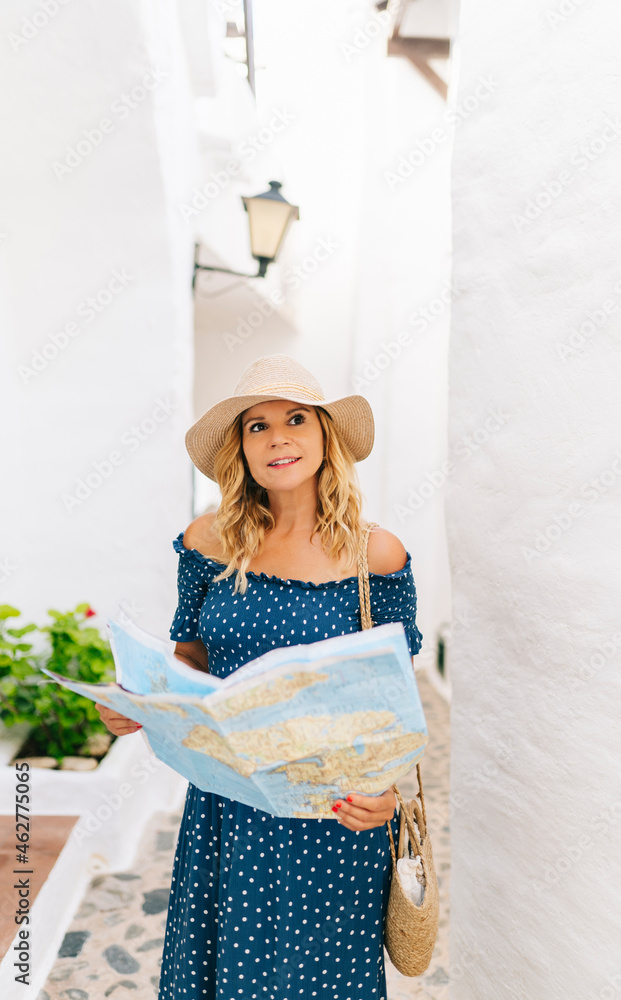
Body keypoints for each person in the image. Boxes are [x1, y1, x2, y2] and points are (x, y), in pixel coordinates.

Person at [96, 354, 423, 1000]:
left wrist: (384, 795)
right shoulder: (207, 543)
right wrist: (143, 698)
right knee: (230, 976)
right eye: (257, 425)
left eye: (296, 419)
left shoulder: (375, 554)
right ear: (239, 449)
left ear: (325, 437)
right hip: (229, 805)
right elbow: (188, 656)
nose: (278, 437)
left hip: (334, 815)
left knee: (320, 982)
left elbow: (392, 699)